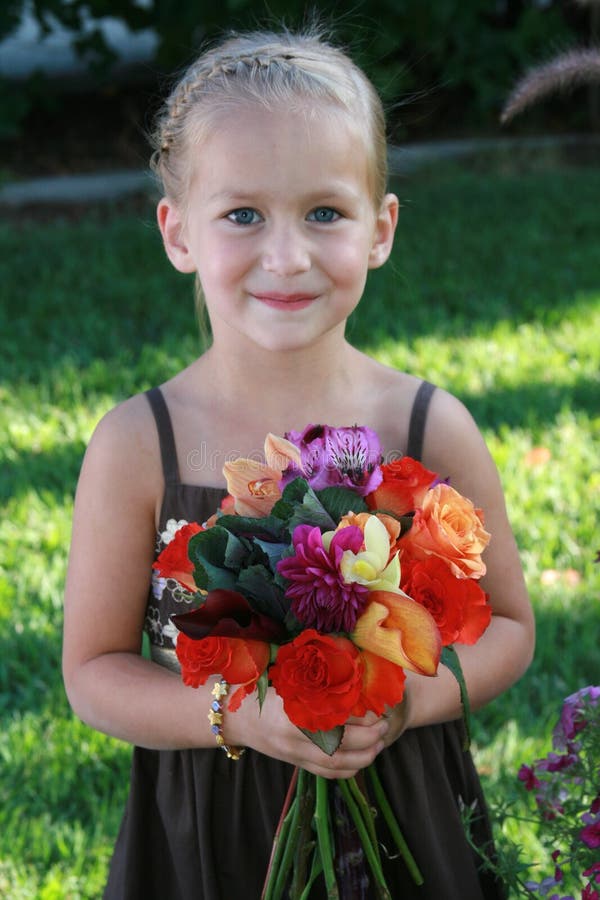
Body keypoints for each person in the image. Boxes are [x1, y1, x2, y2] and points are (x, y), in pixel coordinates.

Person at [62, 26, 535, 900]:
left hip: (404, 807)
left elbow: (508, 627)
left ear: (381, 228)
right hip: (209, 826)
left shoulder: (428, 425)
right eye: (242, 215)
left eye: (325, 212)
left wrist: (397, 705)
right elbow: (92, 673)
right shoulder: (140, 444)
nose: (287, 256)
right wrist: (236, 713)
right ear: (178, 234)